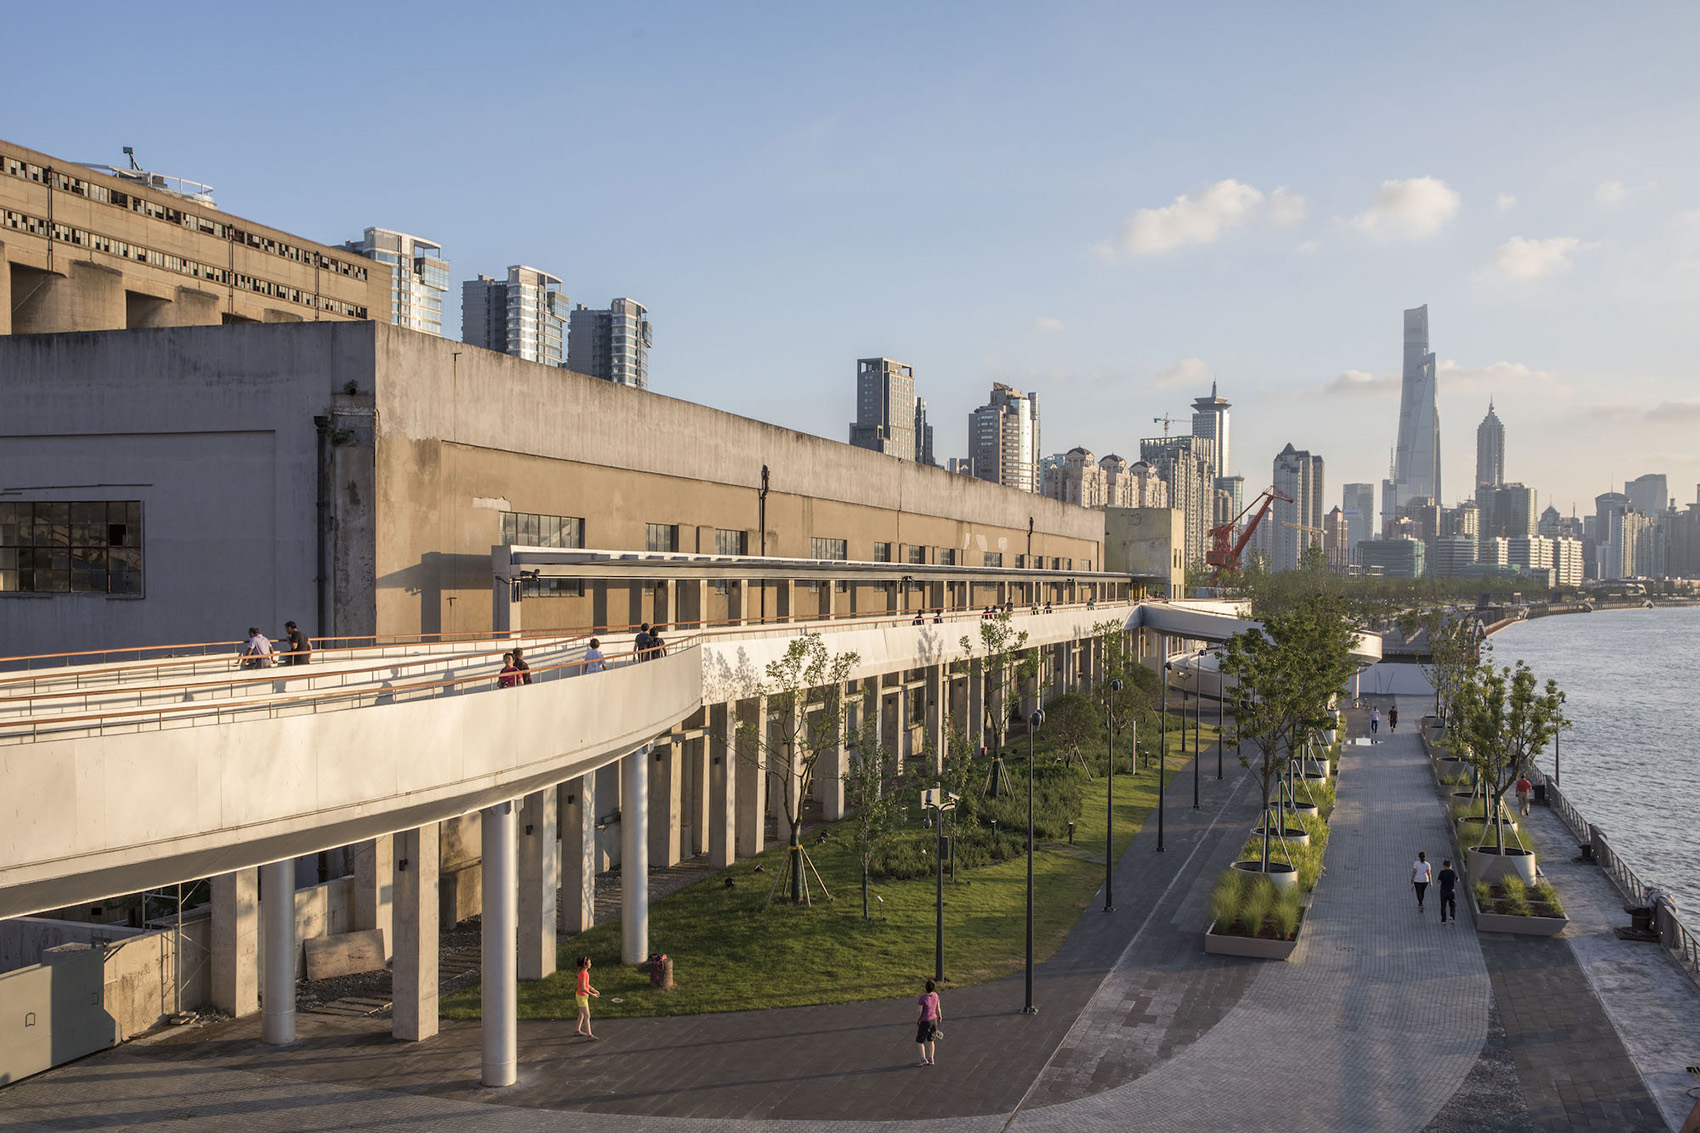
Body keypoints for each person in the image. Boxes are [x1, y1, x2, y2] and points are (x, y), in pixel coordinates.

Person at [915, 978, 942, 1066]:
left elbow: (920, 1012)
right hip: (934, 1020)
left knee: (920, 1041)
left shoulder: (922, 999)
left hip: (925, 1021)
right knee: (931, 1040)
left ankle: (923, 1058)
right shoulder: (936, 996)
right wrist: (940, 1017)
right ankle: (931, 1058)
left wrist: (918, 1020)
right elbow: (938, 1007)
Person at [574, 955, 600, 1038]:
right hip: (581, 997)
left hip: (583, 997)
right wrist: (592, 995)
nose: (591, 964)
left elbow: (586, 985)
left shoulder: (585, 973)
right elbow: (583, 988)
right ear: (585, 965)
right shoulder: (583, 974)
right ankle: (589, 1035)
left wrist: (593, 989)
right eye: (589, 962)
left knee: (581, 1015)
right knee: (587, 1015)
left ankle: (577, 1030)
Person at [1437, 858, 1459, 924]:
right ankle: (1452, 917)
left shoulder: (1442, 872)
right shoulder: (1453, 872)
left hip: (1443, 890)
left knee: (1443, 905)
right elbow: (1457, 880)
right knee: (1452, 905)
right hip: (1451, 891)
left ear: (1444, 866)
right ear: (1450, 865)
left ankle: (1443, 920)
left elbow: (1438, 881)